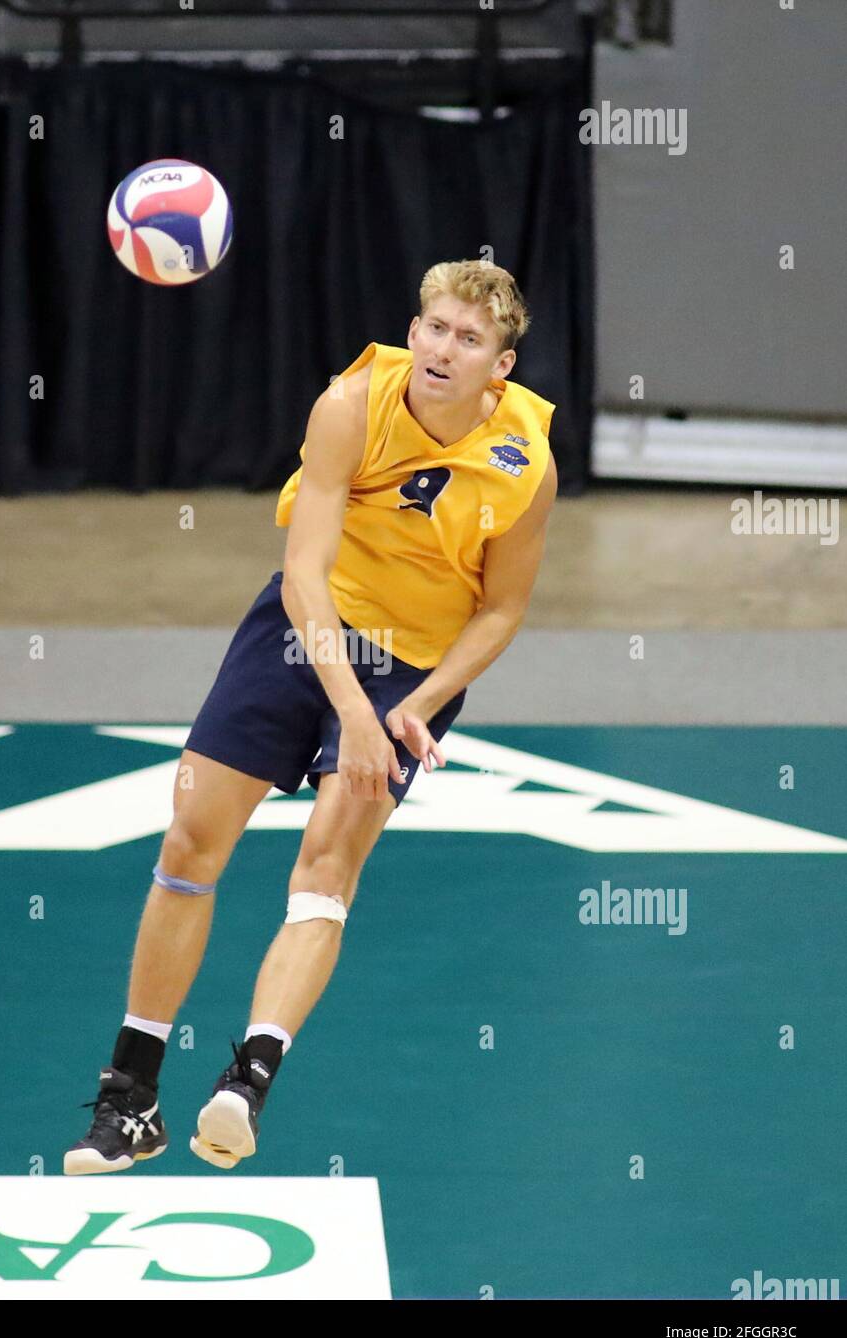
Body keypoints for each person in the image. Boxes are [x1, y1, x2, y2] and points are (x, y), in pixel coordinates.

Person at [64, 258, 557, 1174]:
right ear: (413, 333)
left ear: (503, 365)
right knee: (188, 846)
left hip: (411, 670)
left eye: (471, 339)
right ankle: (130, 1100)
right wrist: (350, 712)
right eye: (436, 329)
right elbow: (303, 576)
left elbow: (501, 611)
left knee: (326, 869)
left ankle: (245, 1082)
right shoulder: (350, 406)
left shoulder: (526, 460)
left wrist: (412, 707)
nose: (445, 350)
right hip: (302, 635)